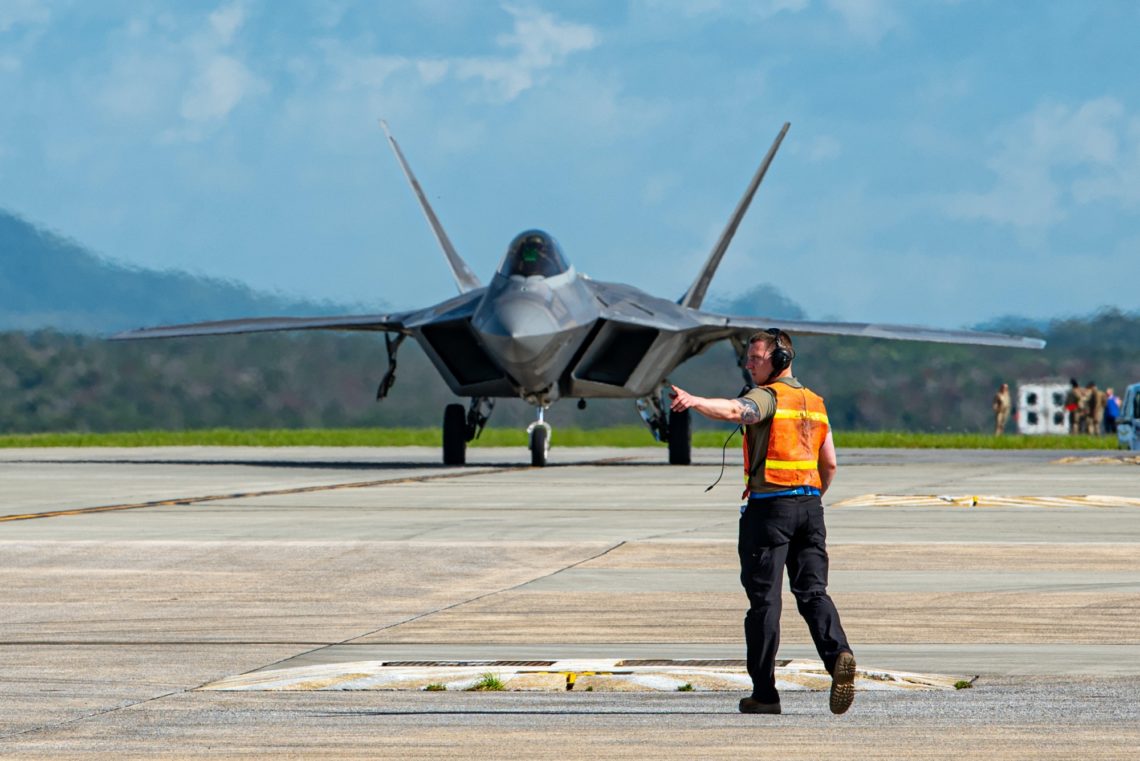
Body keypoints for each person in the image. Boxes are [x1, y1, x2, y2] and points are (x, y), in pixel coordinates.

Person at [670, 329, 855, 716]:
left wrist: (695, 401)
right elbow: (831, 463)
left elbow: (738, 412)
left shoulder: (767, 397)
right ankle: (838, 653)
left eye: (755, 358)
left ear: (781, 360)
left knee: (764, 604)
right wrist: (811, 499)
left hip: (770, 511)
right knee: (813, 593)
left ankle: (765, 694)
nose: (748, 364)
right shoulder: (815, 403)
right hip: (810, 508)